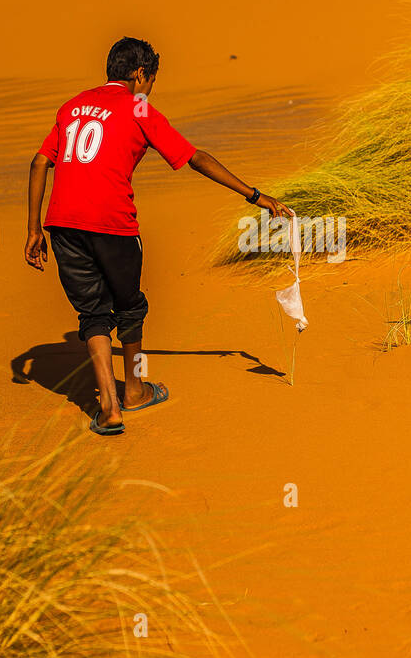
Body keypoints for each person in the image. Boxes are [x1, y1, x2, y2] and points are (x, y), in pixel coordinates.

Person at [25, 35, 292, 434]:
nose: (149, 89)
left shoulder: (72, 105)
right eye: (151, 81)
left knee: (93, 314)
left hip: (62, 223)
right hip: (112, 223)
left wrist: (33, 230)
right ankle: (133, 391)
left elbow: (39, 161)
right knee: (130, 307)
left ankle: (109, 408)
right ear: (139, 74)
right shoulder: (137, 106)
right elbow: (194, 157)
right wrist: (254, 195)